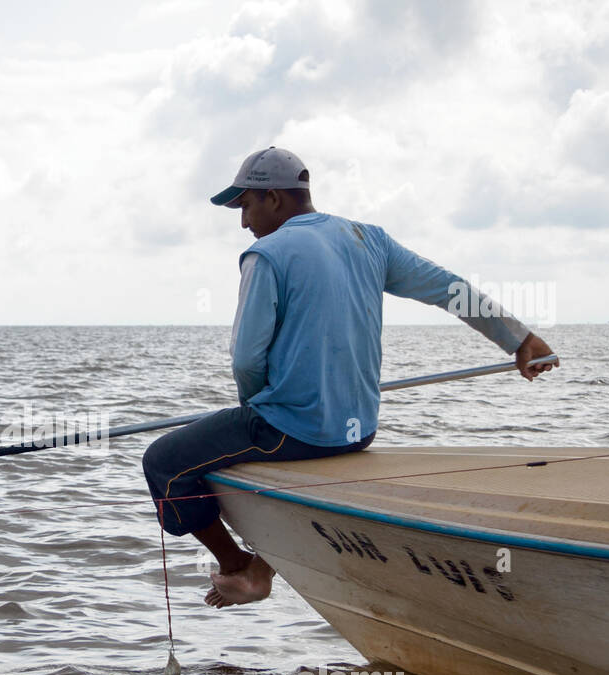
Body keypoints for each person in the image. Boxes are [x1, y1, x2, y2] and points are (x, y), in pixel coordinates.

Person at [142, 146, 556, 609]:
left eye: (246, 205)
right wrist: (519, 340)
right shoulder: (371, 240)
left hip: (291, 431)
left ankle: (240, 567)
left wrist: (254, 408)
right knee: (230, 444)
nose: (243, 221)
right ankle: (269, 556)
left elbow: (245, 358)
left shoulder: (265, 254)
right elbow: (449, 289)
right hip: (357, 431)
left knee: (164, 461)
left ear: (274, 198)